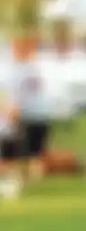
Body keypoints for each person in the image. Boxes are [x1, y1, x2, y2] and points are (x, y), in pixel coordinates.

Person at [0, 37, 53, 200]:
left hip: (26, 115)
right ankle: (25, 184)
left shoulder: (22, 71)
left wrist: (12, 112)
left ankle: (21, 185)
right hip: (35, 114)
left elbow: (19, 95)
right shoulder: (33, 69)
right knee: (31, 154)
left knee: (23, 153)